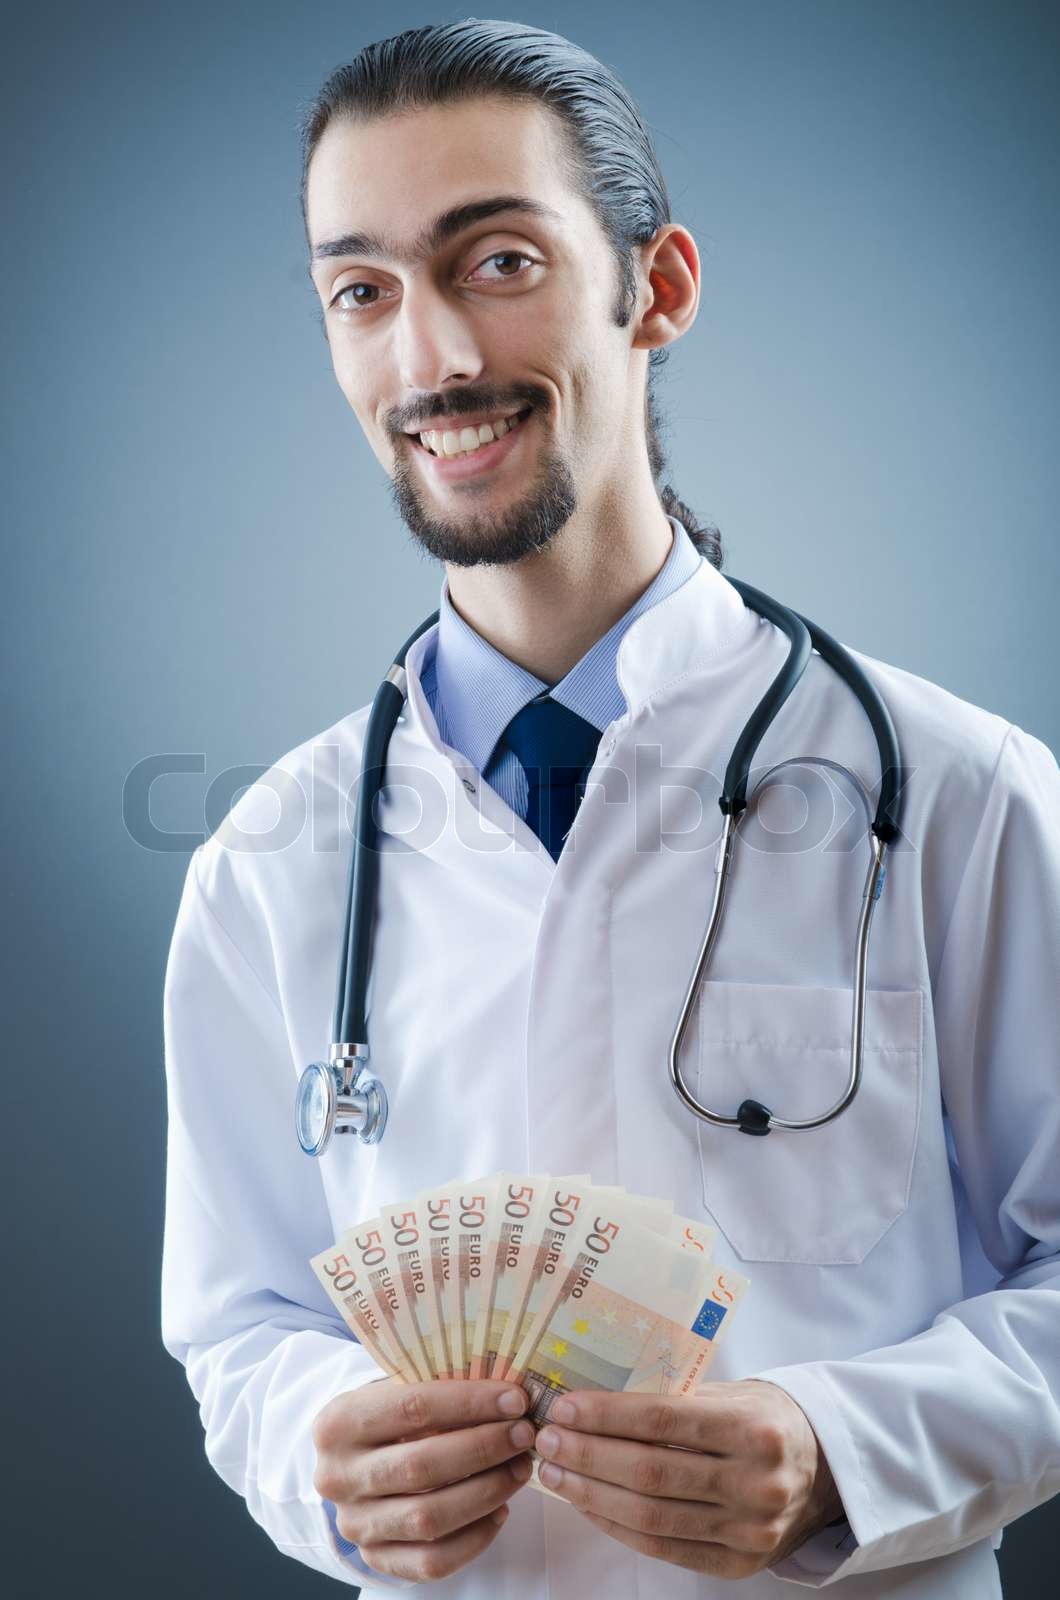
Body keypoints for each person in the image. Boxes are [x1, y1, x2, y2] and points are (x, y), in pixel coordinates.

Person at [160, 19, 1060, 1599]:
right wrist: (324, 1444)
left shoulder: (968, 796)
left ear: (659, 288)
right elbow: (239, 1326)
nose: (431, 359)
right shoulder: (266, 867)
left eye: (496, 261)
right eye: (360, 292)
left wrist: (852, 1445)